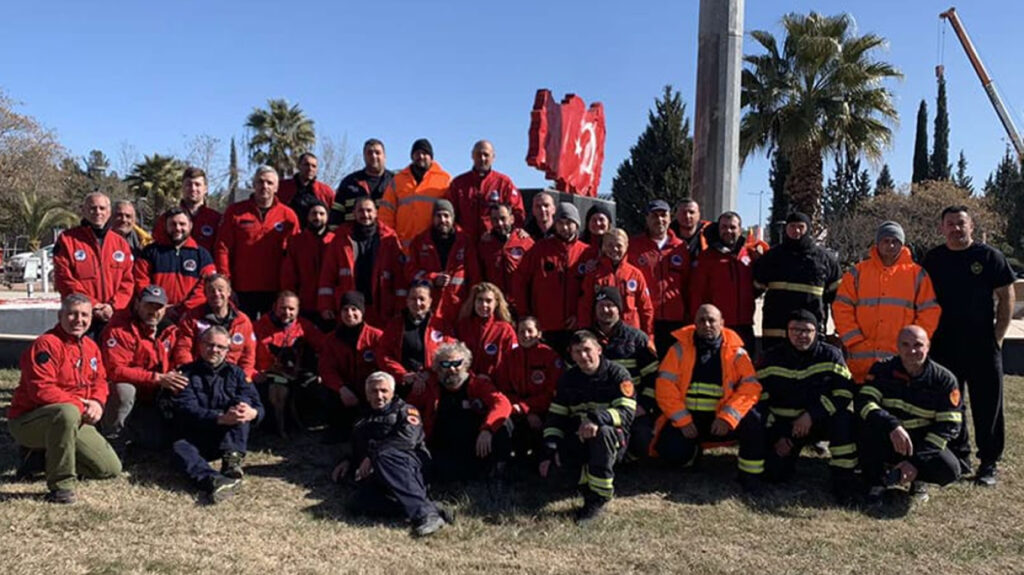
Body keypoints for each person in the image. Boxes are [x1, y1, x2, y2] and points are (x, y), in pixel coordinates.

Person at [923, 205, 1016, 485]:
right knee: (952, 403)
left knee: (988, 403)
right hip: (944, 345)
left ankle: (988, 463)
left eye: (961, 223)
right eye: (950, 224)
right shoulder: (934, 258)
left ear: (971, 226)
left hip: (982, 345)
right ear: (942, 228)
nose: (956, 228)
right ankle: (959, 456)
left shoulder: (989, 257)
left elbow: (1006, 296)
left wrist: (998, 336)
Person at [7, 294, 122, 504]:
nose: (79, 320)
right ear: (60, 316)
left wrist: (97, 402)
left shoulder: (90, 347)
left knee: (109, 469)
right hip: (30, 419)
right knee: (66, 412)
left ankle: (42, 458)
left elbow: (101, 380)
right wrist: (80, 406)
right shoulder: (46, 344)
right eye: (72, 314)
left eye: (85, 315)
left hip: (73, 418)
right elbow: (41, 390)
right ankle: (61, 486)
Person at [652, 304, 765, 492]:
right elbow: (664, 386)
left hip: (721, 421)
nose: (707, 324)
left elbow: (751, 387)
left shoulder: (737, 352)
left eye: (712, 320)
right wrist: (683, 421)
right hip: (690, 422)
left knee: (754, 419)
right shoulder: (679, 349)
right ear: (695, 323)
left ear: (722, 323)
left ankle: (749, 474)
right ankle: (693, 452)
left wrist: (728, 418)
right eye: (701, 320)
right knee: (670, 452)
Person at [755, 310, 858, 501]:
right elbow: (760, 399)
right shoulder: (771, 357)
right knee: (774, 475)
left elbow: (844, 393)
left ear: (817, 331)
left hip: (820, 422)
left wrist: (812, 415)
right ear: (787, 331)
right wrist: (779, 434)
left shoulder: (831, 355)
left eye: (807, 330)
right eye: (795, 330)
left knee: (844, 419)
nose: (801, 335)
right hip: (785, 427)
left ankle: (843, 478)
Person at [855, 326, 963, 505]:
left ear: (928, 346)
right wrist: (892, 425)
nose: (912, 350)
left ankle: (918, 479)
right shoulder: (882, 369)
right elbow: (864, 401)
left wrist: (916, 462)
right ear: (897, 347)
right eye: (905, 344)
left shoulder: (944, 379)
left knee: (950, 470)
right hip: (888, 435)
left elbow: (949, 426)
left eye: (918, 345)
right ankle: (876, 481)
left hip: (921, 441)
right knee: (863, 427)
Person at [333, 371, 449, 537]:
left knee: (384, 456)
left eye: (384, 391)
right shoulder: (362, 419)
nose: (379, 396)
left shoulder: (406, 411)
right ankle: (428, 506)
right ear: (367, 395)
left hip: (408, 467)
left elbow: (407, 440)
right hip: (379, 474)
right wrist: (347, 460)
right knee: (356, 502)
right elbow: (357, 447)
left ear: (393, 392)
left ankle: (426, 515)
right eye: (374, 391)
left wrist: (372, 456)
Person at [539, 330, 636, 523]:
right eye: (577, 352)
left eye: (587, 350)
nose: (583, 356)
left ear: (599, 350)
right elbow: (556, 417)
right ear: (572, 355)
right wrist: (550, 450)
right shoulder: (568, 379)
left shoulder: (617, 374)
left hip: (612, 439)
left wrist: (596, 420)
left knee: (604, 433)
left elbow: (626, 412)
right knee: (553, 479)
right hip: (578, 437)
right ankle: (584, 479)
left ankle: (597, 497)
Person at [833, 221, 941, 384]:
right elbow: (841, 307)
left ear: (902, 244)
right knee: (863, 406)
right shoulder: (858, 272)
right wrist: (854, 340)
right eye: (886, 240)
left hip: (901, 360)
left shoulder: (917, 274)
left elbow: (929, 311)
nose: (890, 245)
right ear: (877, 243)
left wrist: (915, 343)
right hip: (862, 360)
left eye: (895, 241)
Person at [170, 326, 264, 503]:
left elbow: (257, 404)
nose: (214, 350)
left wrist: (253, 413)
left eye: (220, 347)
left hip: (227, 437)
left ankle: (232, 463)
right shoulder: (185, 373)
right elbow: (186, 409)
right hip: (197, 435)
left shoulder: (236, 373)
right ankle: (214, 481)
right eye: (210, 344)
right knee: (179, 449)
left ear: (228, 350)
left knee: (241, 409)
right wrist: (219, 418)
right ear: (200, 345)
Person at [408, 342, 513, 482]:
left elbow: (502, 403)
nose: (452, 368)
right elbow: (407, 410)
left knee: (504, 423)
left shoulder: (477, 384)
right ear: (437, 367)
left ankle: (498, 471)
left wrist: (487, 429)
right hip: (442, 447)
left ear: (466, 364)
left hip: (476, 445)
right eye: (445, 364)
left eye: (457, 363)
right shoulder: (428, 386)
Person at [99, 285, 184, 451]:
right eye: (148, 305)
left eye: (158, 307)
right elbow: (115, 370)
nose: (153, 311)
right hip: (132, 393)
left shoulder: (171, 330)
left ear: (165, 309)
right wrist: (157, 378)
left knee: (154, 444)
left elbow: (180, 355)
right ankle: (113, 442)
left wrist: (177, 372)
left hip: (156, 394)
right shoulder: (119, 329)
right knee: (124, 390)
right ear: (137, 304)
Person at [214, 166, 300, 319]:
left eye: (269, 183)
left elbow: (295, 255)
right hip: (242, 288)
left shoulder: (288, 216)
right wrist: (225, 282)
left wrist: (288, 289)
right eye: (260, 182)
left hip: (275, 289)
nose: (264, 186)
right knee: (242, 334)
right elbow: (223, 248)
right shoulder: (235, 212)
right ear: (253, 184)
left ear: (276, 187)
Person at [588, 287, 660, 459]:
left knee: (643, 441)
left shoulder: (637, 339)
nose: (605, 310)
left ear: (619, 309)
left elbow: (653, 379)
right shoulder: (584, 339)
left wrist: (643, 406)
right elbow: (573, 378)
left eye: (610, 305)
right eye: (600, 306)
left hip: (630, 408)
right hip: (595, 408)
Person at [753, 211, 842, 350]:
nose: (796, 231)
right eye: (792, 226)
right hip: (776, 333)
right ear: (786, 229)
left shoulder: (825, 259)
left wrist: (839, 330)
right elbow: (753, 291)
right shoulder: (771, 257)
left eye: (801, 226)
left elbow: (838, 300)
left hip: (810, 332)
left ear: (808, 229)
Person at [53, 192, 136, 340]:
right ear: (83, 211)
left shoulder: (120, 243)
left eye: (102, 208)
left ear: (109, 212)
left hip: (114, 317)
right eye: (93, 208)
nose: (98, 212)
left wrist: (113, 307)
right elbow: (64, 279)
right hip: (81, 318)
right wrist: (93, 305)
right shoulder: (67, 240)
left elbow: (128, 281)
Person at [318, 196, 405, 328]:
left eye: (369, 211)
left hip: (380, 307)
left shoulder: (389, 239)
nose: (365, 215)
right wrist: (325, 305)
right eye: (361, 211)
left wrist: (400, 307)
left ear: (376, 213)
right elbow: (327, 275)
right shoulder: (341, 239)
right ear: (354, 213)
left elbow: (399, 277)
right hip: (348, 308)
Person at [513, 203, 588, 356]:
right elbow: (520, 282)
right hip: (545, 326)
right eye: (560, 223)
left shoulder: (587, 253)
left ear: (577, 224)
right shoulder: (539, 250)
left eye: (569, 223)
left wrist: (580, 315)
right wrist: (526, 315)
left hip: (575, 326)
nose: (565, 228)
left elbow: (589, 291)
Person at [252, 292, 325, 437]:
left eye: (291, 309)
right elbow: (245, 354)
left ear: (298, 310)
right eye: (282, 308)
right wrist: (254, 374)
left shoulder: (304, 326)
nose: (287, 312)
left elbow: (325, 347)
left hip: (293, 376)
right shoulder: (258, 326)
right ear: (274, 307)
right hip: (264, 376)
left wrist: (322, 372)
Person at [689, 212, 761, 353]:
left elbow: (758, 286)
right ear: (718, 229)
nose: (728, 231)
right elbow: (697, 293)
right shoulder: (707, 257)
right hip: (717, 327)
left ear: (740, 230)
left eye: (733, 227)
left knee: (746, 370)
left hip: (745, 326)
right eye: (724, 227)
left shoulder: (748, 255)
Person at [495, 316, 563, 463]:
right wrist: (523, 409)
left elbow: (552, 392)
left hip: (543, 411)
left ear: (539, 333)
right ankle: (503, 466)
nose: (525, 335)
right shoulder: (509, 357)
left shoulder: (550, 356)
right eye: (521, 331)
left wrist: (529, 409)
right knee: (502, 423)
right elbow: (503, 389)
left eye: (530, 331)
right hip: (517, 409)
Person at [627, 199, 690, 355]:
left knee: (673, 366)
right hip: (645, 319)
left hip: (675, 319)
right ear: (647, 219)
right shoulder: (634, 246)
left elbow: (689, 284)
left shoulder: (681, 247)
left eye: (663, 215)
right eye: (654, 216)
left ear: (670, 218)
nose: (659, 220)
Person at [319, 291, 385, 440]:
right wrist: (342, 389)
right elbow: (326, 369)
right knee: (327, 391)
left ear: (362, 312)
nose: (349, 313)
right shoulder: (331, 339)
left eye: (354, 309)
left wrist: (373, 390)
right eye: (345, 309)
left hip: (370, 391)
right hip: (344, 392)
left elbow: (384, 368)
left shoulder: (377, 336)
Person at [134, 206, 216, 323]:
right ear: (166, 226)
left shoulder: (202, 255)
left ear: (190, 225)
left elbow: (206, 285)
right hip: (155, 315)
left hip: (190, 316)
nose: (178, 228)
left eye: (182, 224)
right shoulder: (150, 252)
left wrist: (183, 309)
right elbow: (141, 280)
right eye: (173, 224)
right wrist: (158, 305)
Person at [404, 199, 479, 323]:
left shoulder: (465, 242)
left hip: (458, 306)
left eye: (446, 215)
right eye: (438, 216)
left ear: (453, 217)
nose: (443, 220)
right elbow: (409, 272)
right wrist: (432, 279)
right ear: (432, 218)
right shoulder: (419, 242)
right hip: (427, 306)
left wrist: (470, 304)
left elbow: (475, 276)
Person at [173, 274, 257, 381]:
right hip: (200, 376)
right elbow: (183, 349)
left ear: (229, 292)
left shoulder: (243, 321)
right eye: (211, 290)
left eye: (220, 290)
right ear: (205, 293)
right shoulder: (192, 318)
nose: (216, 294)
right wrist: (190, 375)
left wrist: (243, 379)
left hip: (232, 378)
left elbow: (248, 356)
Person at [377, 281, 453, 396]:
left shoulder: (440, 325)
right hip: (404, 385)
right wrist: (403, 375)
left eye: (422, 299)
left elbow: (451, 354)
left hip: (434, 386)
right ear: (407, 301)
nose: (417, 303)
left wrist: (429, 374)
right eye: (413, 299)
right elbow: (383, 353)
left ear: (430, 301)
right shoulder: (395, 325)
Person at [577, 229, 655, 339]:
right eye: (609, 245)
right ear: (603, 247)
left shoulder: (635, 275)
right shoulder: (594, 275)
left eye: (619, 245)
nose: (614, 249)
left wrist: (649, 337)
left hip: (630, 336)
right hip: (602, 335)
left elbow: (646, 308)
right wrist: (585, 335)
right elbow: (585, 306)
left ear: (626, 246)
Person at [448, 140, 525, 242]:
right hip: (465, 244)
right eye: (478, 154)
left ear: (493, 157)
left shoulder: (504, 183)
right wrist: (460, 235)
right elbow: (449, 214)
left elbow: (518, 214)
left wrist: (505, 236)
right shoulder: (458, 184)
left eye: (486, 155)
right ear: (472, 156)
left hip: (494, 245)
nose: (482, 158)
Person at [380, 138, 452, 247]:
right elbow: (386, 212)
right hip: (402, 248)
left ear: (431, 157)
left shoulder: (445, 180)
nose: (421, 156)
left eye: (425, 153)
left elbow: (452, 214)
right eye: (417, 153)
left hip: (433, 247)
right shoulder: (398, 180)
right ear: (412, 156)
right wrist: (389, 239)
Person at [281, 200, 335, 326]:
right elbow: (288, 274)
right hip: (304, 303)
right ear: (307, 216)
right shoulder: (296, 242)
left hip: (330, 305)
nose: (317, 217)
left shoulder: (335, 241)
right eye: (314, 213)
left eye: (322, 214)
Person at [455, 282, 518, 380]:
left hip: (495, 384)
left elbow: (513, 361)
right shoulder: (463, 326)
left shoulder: (505, 330)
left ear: (496, 303)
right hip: (466, 382)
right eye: (480, 300)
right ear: (474, 302)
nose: (484, 305)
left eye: (488, 301)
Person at [153, 167, 222, 253]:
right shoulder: (167, 218)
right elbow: (157, 247)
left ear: (205, 189)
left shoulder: (216, 219)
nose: (193, 188)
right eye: (189, 184)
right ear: (182, 187)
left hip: (207, 265)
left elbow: (222, 250)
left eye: (197, 184)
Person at [477, 203, 534, 308]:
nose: (499, 223)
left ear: (512, 219)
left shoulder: (525, 242)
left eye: (503, 218)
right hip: (496, 304)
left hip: (521, 303)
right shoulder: (485, 244)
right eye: (495, 219)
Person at [329, 138, 395, 228]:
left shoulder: (395, 181)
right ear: (364, 156)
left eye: (377, 153)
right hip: (352, 238)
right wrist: (334, 238)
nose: (373, 156)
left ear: (384, 156)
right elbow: (336, 214)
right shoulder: (349, 182)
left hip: (386, 238)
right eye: (369, 153)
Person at [276, 152, 336, 224]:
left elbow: (334, 215)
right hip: (288, 231)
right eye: (306, 165)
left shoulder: (326, 191)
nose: (310, 168)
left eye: (314, 166)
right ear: (298, 166)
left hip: (315, 234)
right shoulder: (282, 187)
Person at [578, 204, 614, 274]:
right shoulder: (579, 245)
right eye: (594, 220)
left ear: (609, 223)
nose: (598, 223)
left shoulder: (614, 246)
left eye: (601, 219)